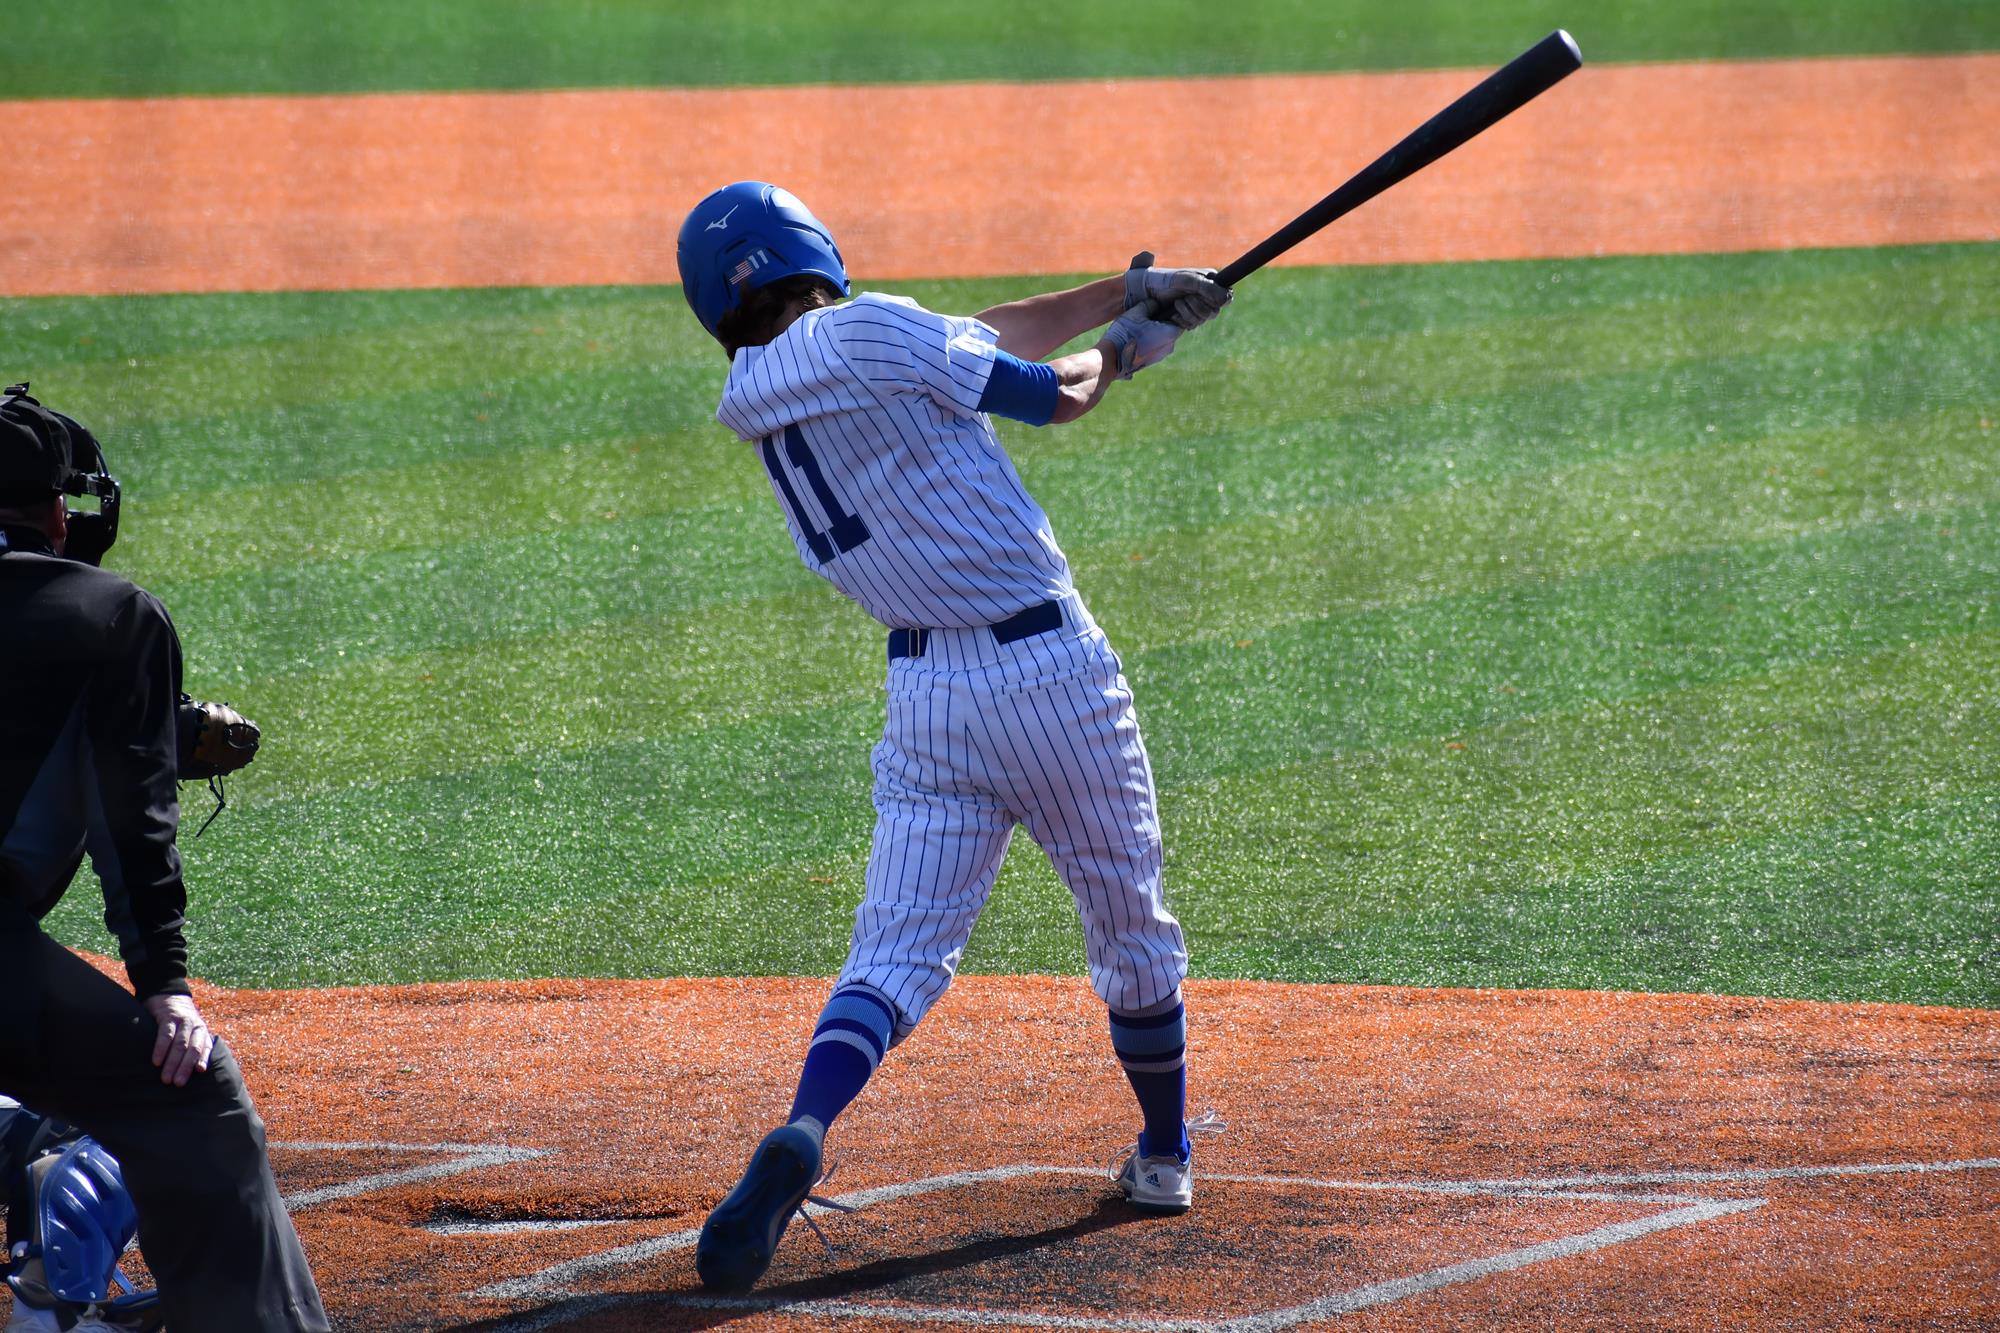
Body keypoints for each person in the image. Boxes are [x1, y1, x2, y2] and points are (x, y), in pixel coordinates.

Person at [674, 183, 1231, 1293]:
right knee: (1129, 926)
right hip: (1051, 674)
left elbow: (965, 338)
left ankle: (807, 1123)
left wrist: (1124, 293)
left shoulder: (754, 388)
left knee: (893, 952)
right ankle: (1163, 1156)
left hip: (928, 698)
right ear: (809, 248)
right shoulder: (875, 328)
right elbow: (1049, 396)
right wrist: (1123, 350)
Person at [0, 385, 330, 1331]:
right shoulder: (107, 612)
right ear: (60, 511)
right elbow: (130, 820)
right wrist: (165, 984)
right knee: (194, 1101)